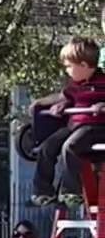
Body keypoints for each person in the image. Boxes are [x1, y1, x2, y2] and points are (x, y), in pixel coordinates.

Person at [30, 37, 105, 207]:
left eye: (70, 66)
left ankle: (71, 191)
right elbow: (62, 96)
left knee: (70, 147)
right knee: (47, 147)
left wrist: (102, 104)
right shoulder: (75, 85)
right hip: (74, 125)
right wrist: (42, 102)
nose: (67, 71)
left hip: (95, 127)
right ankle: (43, 191)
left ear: (85, 66)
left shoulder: (103, 81)